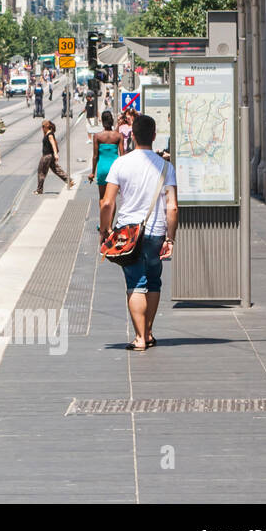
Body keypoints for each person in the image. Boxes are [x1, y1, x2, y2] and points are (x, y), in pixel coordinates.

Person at [100, 114, 179, 353]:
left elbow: (107, 203)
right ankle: (149, 332)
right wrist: (170, 237)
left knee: (136, 282)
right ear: (154, 136)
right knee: (154, 282)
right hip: (156, 232)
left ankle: (139, 338)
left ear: (132, 135)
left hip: (128, 233)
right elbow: (172, 206)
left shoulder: (120, 163)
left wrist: (105, 230)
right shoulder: (166, 166)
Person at [89, 111, 122, 225]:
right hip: (114, 169)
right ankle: (110, 225)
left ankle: (103, 224)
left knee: (102, 198)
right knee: (112, 199)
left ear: (102, 122)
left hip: (102, 168)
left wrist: (92, 173)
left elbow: (95, 156)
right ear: (111, 120)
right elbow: (122, 155)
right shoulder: (118, 136)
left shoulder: (97, 136)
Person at [36, 119, 75, 194]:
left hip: (47, 156)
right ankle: (69, 181)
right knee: (57, 170)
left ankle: (39, 190)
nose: (41, 128)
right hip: (50, 156)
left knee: (41, 172)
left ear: (45, 126)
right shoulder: (48, 133)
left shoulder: (49, 134)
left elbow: (53, 144)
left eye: (42, 127)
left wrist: (56, 153)